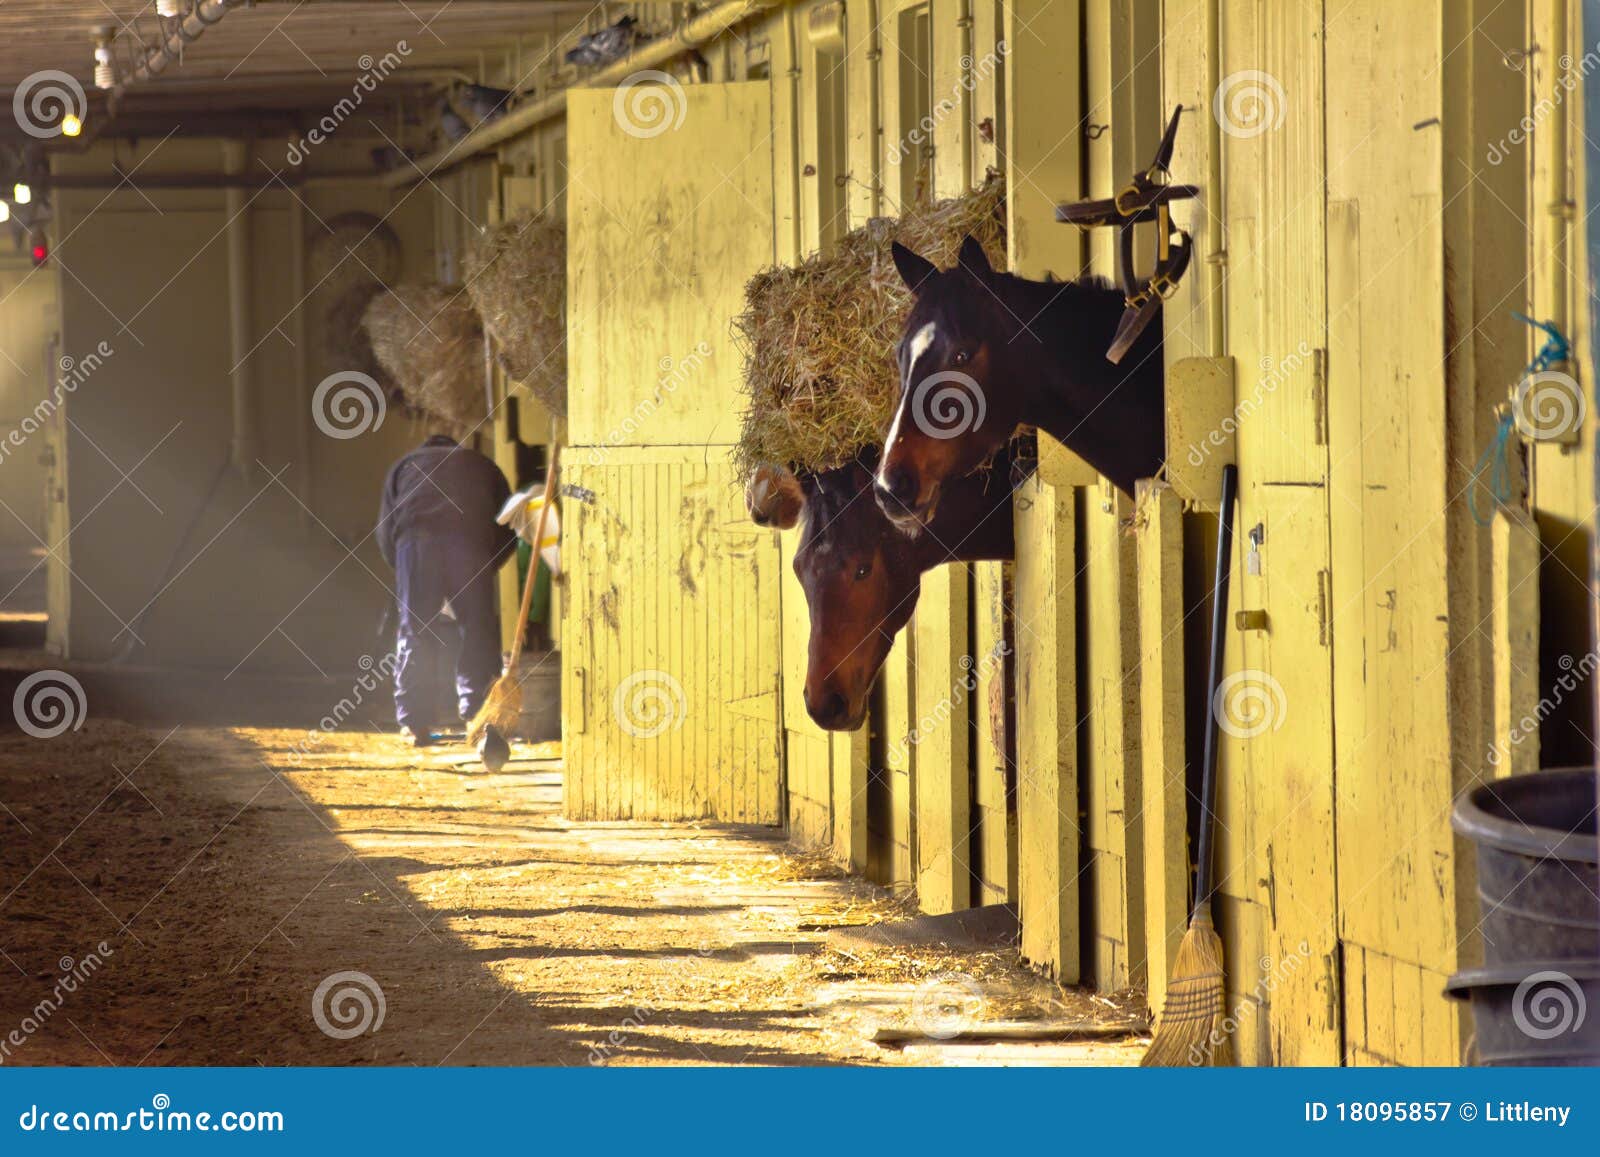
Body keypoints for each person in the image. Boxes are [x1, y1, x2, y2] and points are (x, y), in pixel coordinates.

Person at [376, 433, 516, 746]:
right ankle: (478, 719)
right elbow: (508, 528)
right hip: (469, 544)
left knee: (415, 631)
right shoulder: (483, 464)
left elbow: (386, 530)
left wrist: (404, 573)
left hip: (416, 544)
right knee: (478, 629)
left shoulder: (402, 466)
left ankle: (416, 725)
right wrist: (486, 567)